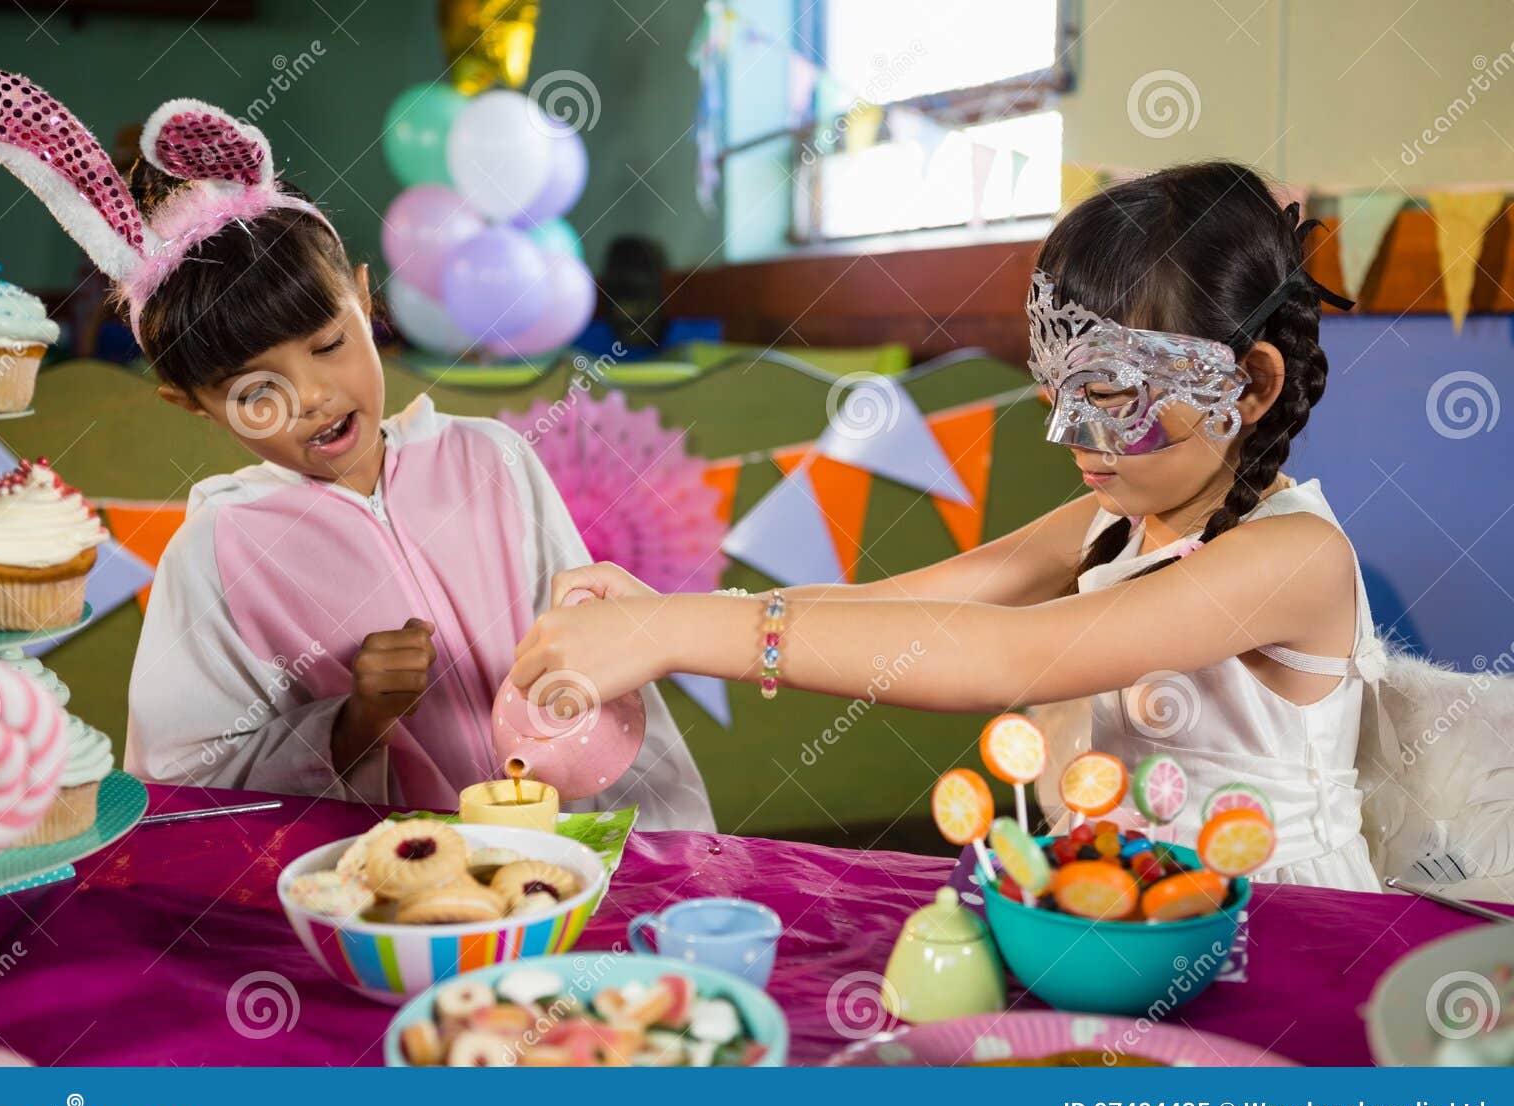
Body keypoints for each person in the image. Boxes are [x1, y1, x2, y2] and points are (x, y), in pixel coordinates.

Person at [512, 162, 1401, 887]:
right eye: (1056, 391)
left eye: (1113, 396)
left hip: (1290, 925)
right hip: (1137, 904)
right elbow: (905, 607)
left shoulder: (1293, 556)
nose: (1068, 434)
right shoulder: (1117, 516)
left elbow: (1004, 656)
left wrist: (674, 632)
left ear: (1248, 384)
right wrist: (665, 608)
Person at [0, 67, 711, 830]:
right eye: (256, 392)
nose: (310, 397)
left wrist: (663, 854)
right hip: (378, 901)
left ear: (364, 298)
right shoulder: (218, 554)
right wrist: (351, 723)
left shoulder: (495, 463)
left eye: (327, 343)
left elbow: (605, 660)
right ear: (193, 405)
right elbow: (191, 786)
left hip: (563, 865)